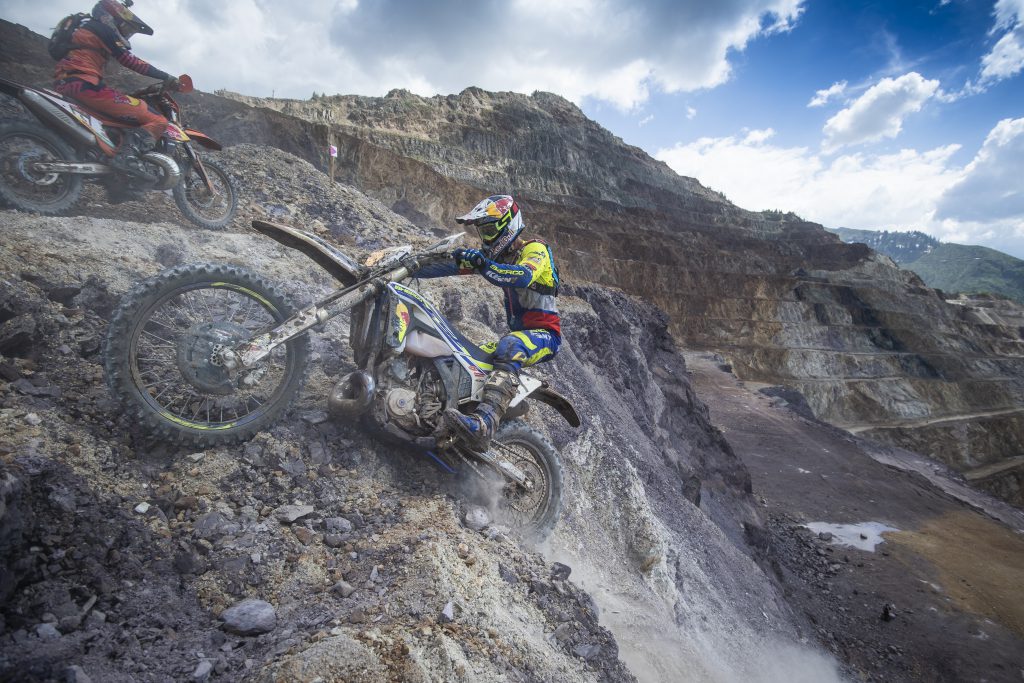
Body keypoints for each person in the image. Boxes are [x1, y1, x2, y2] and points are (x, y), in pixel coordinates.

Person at [419, 195, 562, 451]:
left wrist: (484, 265)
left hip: (545, 335)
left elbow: (522, 276)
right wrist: (411, 267)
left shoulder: (535, 250)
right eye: (480, 230)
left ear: (507, 226)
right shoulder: (494, 259)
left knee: (509, 345)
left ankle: (485, 423)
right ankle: (439, 416)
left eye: (488, 230)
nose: (484, 238)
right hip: (521, 336)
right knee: (457, 353)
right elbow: (450, 267)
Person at [52, 0, 178, 175]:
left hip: (65, 83)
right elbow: (130, 61)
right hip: (85, 85)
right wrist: (166, 76)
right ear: (110, 17)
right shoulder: (101, 29)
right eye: (124, 27)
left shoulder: (84, 29)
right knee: (158, 120)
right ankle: (126, 157)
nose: (125, 34)